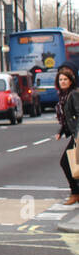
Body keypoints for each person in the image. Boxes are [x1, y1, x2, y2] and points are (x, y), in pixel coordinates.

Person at [54, 65, 79, 206]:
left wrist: (77, 134)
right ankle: (75, 192)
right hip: (74, 133)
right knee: (71, 163)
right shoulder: (64, 96)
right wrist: (60, 132)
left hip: (77, 134)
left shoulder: (73, 94)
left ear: (71, 81)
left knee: (65, 162)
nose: (62, 82)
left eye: (65, 79)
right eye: (60, 79)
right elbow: (67, 117)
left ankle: (75, 193)